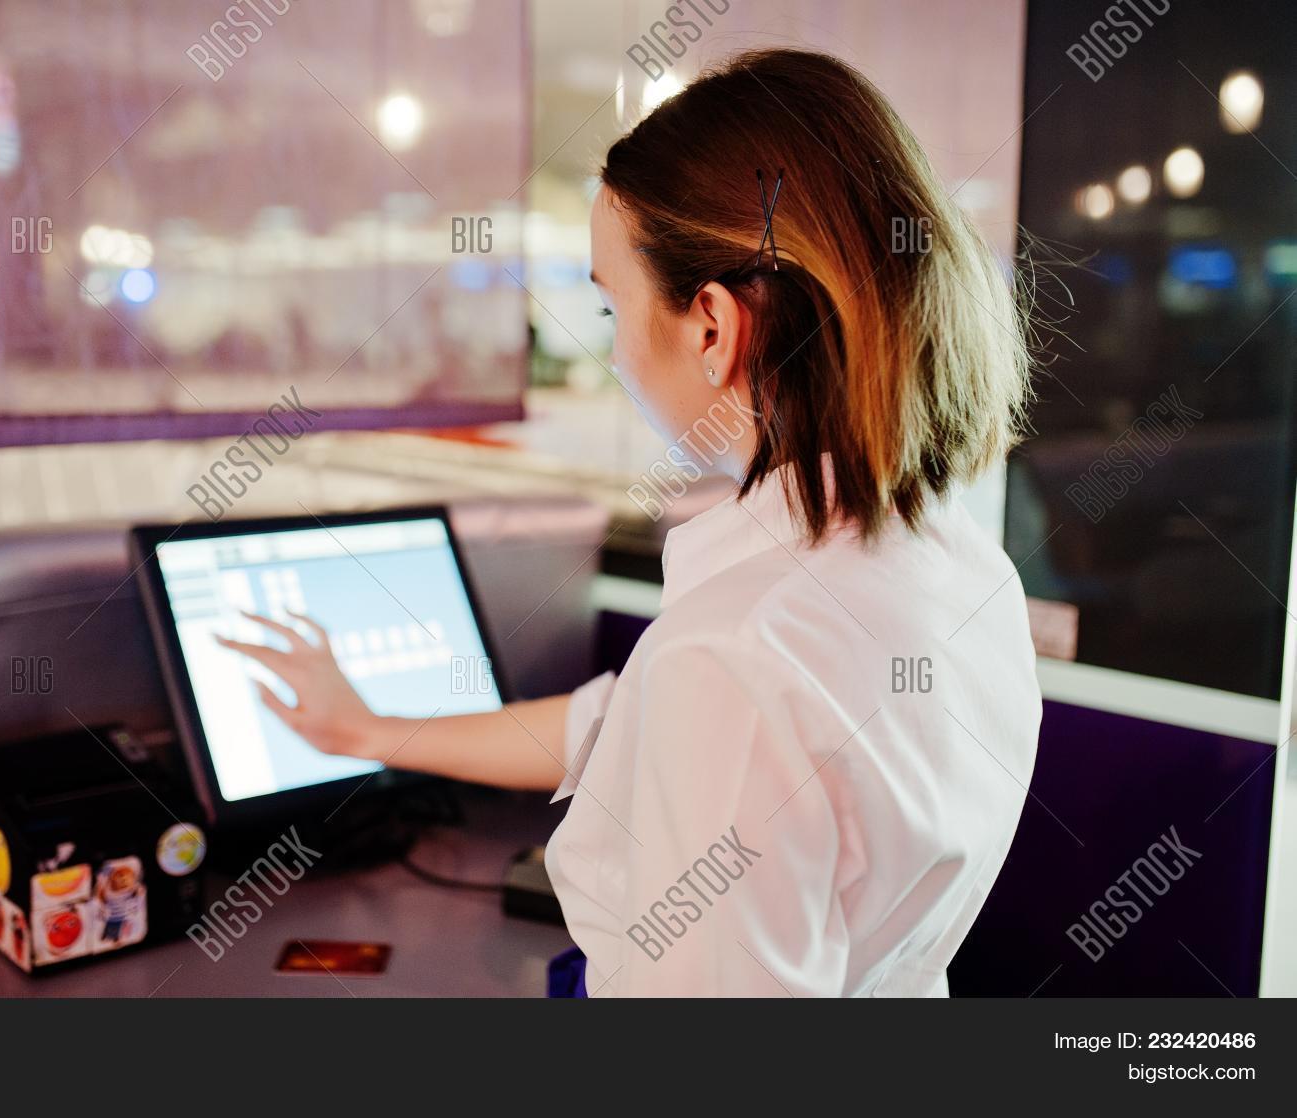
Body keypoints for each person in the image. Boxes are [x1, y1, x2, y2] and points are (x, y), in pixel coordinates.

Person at [216, 47, 1041, 997]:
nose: (609, 354)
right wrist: (365, 729)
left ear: (712, 327)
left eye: (611, 306)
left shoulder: (738, 654)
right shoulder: (958, 565)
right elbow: (613, 727)